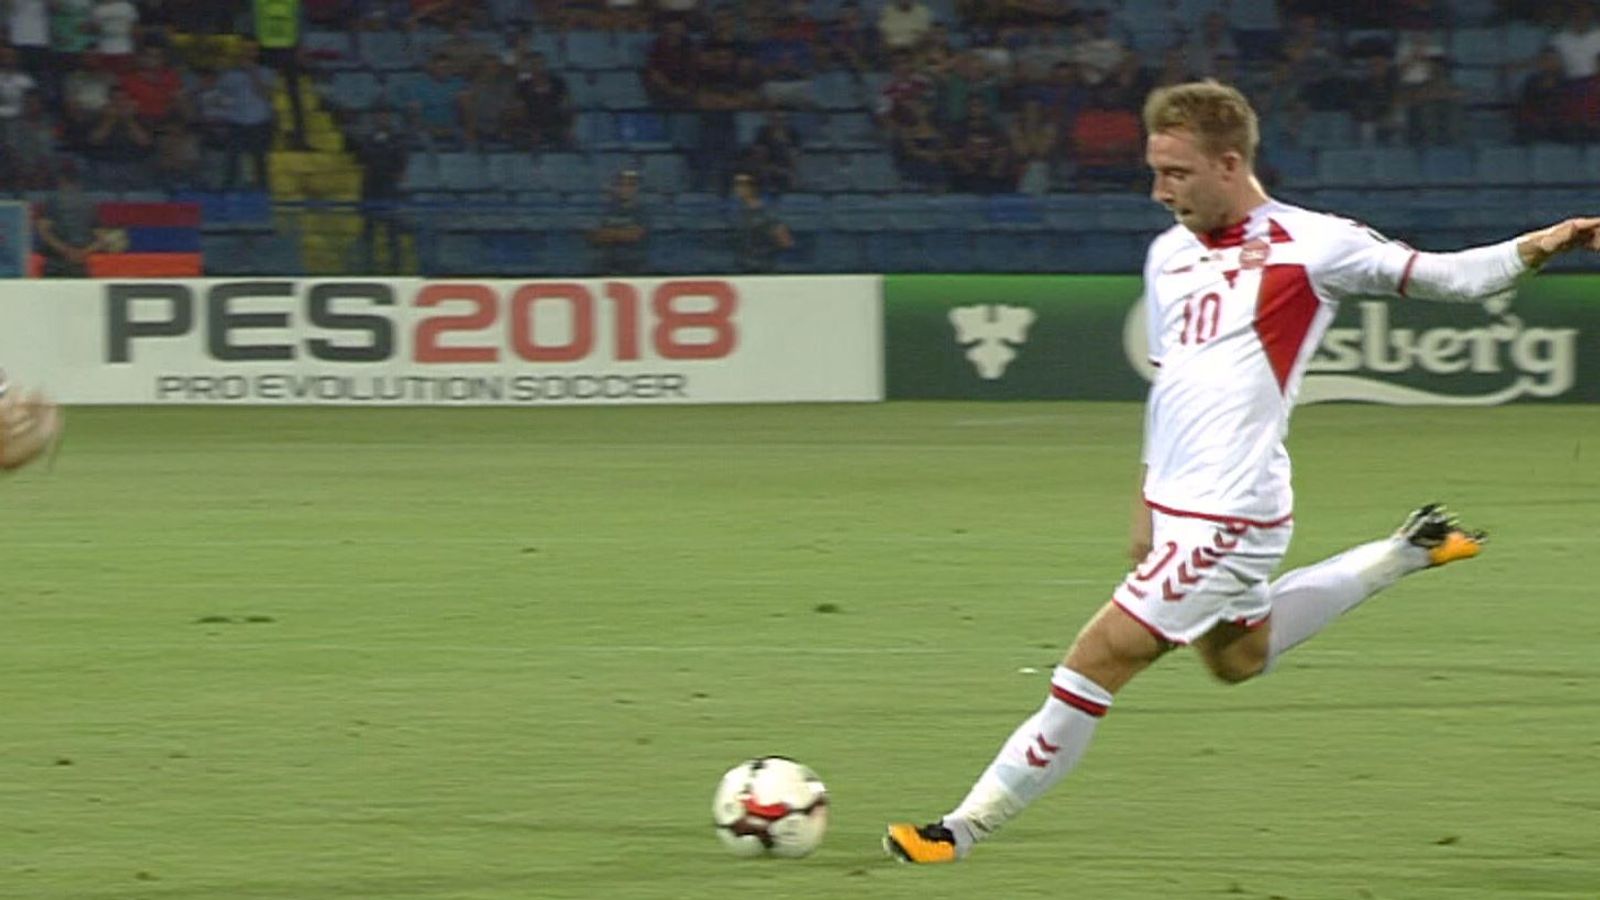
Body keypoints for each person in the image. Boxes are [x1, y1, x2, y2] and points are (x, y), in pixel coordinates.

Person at [883, 80, 1600, 865]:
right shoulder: (1167, 254)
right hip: (1186, 507)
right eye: (1154, 172)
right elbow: (1172, 382)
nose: (1160, 192)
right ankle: (1408, 550)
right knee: (1236, 661)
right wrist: (1146, 499)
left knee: (1094, 664)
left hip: (1233, 513)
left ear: (1230, 164)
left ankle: (960, 829)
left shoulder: (1313, 244)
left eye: (1176, 174)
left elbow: (1451, 278)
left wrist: (1547, 243)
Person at [587, 169, 649, 275]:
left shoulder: (644, 212)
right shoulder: (604, 210)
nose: (626, 188)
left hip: (635, 268)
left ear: (637, 188)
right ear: (615, 188)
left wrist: (609, 234)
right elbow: (594, 236)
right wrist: (622, 233)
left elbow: (634, 236)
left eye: (631, 185)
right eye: (621, 184)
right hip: (605, 267)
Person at [730, 171, 792, 272]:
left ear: (753, 187)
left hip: (763, 268)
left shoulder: (768, 213)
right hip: (741, 267)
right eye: (736, 184)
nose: (738, 188)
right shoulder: (739, 212)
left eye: (743, 184)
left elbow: (786, 242)